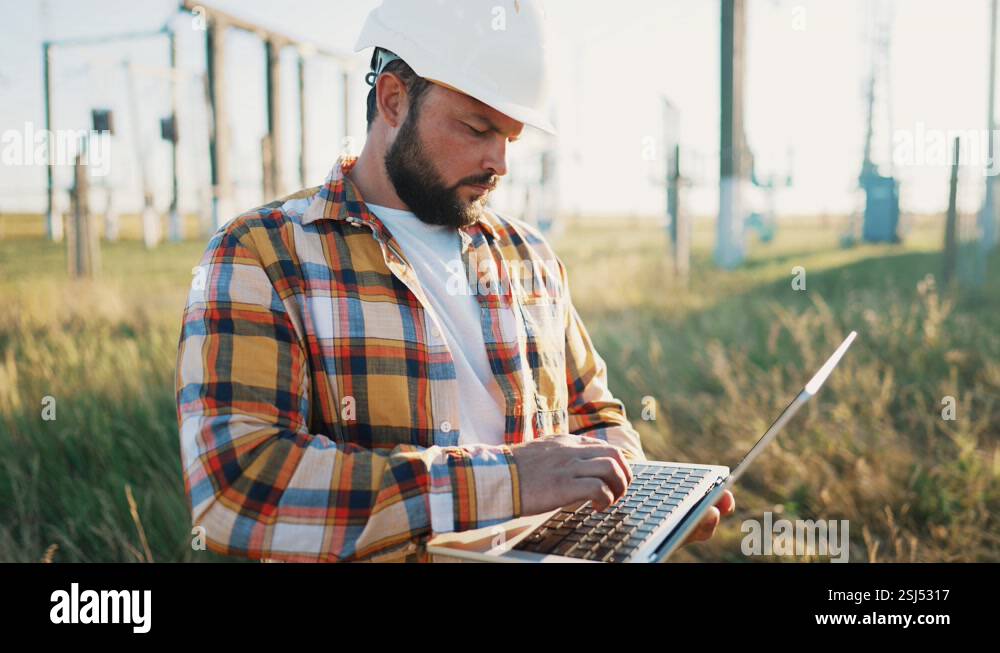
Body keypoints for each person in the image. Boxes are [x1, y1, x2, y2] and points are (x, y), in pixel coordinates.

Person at [175, 0, 734, 562]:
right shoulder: (261, 256)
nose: (500, 162)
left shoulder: (529, 258)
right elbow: (239, 491)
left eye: (510, 138)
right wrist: (509, 479)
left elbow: (594, 416)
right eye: (477, 128)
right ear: (394, 99)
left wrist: (638, 498)